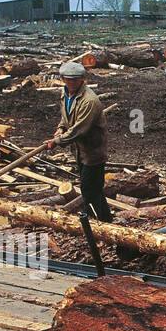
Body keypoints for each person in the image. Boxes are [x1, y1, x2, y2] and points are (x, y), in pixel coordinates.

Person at [46, 61, 111, 222]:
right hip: (80, 150)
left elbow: (79, 129)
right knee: (92, 188)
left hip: (93, 151)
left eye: (75, 80)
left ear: (82, 78)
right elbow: (67, 117)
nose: (71, 83)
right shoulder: (66, 94)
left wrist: (57, 141)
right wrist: (61, 128)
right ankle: (105, 221)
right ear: (62, 79)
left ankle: (95, 223)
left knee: (89, 189)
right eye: (68, 79)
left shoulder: (89, 101)